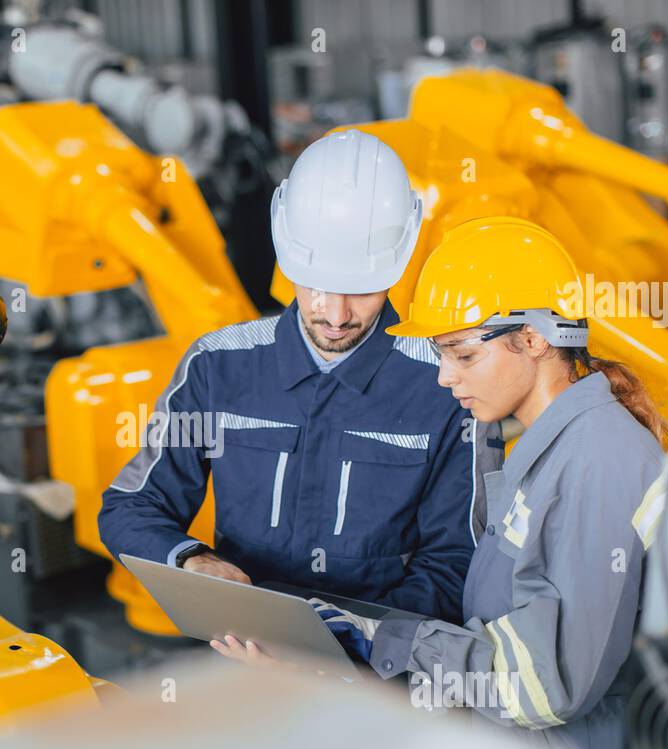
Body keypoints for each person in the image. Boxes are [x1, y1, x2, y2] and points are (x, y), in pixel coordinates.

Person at [213, 217, 668, 749]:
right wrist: (336, 658)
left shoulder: (601, 460)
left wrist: (372, 643)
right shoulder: (539, 449)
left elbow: (544, 682)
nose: (445, 377)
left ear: (532, 339)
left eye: (463, 354)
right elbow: (495, 640)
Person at [98, 130, 501, 621]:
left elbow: (457, 561)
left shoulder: (448, 387)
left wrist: (353, 640)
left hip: (384, 667)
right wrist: (190, 560)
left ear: (400, 261)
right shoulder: (216, 367)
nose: (335, 314)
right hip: (244, 645)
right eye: (316, 286)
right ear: (286, 254)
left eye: (362, 289)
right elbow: (132, 506)